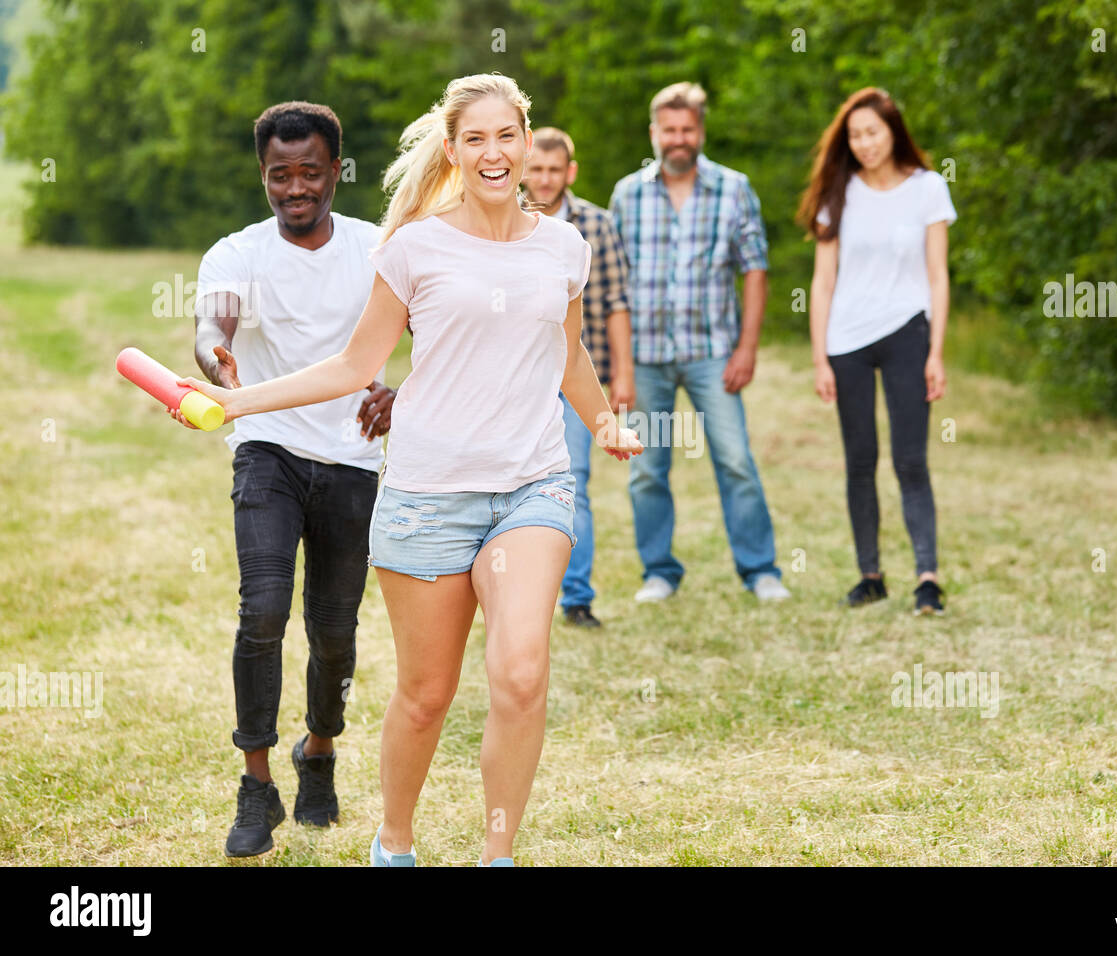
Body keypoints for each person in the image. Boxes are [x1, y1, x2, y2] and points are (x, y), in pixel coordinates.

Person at [175, 74, 643, 867]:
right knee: (427, 696)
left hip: (531, 483)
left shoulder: (565, 245)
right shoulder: (414, 247)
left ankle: (499, 856)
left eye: (507, 136)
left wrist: (603, 423)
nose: (493, 153)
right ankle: (394, 842)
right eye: (476, 140)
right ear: (454, 152)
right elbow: (356, 364)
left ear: (527, 142)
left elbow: (567, 352)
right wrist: (240, 401)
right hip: (428, 494)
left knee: (521, 673)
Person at [174, 101, 397, 858]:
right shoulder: (237, 252)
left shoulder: (377, 248)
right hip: (265, 445)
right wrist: (215, 356)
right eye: (279, 175)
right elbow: (215, 321)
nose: (295, 188)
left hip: (353, 461)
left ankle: (320, 752)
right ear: (262, 175)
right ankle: (256, 785)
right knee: (262, 609)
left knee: (335, 631)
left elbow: (438, 336)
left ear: (337, 170)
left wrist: (401, 393)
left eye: (309, 172)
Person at [609, 82, 789, 604]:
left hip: (714, 352)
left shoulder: (734, 189)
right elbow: (613, 280)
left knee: (735, 461)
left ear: (701, 132)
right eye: (669, 130)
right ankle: (659, 573)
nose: (679, 139)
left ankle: (761, 572)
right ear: (654, 133)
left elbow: (755, 269)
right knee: (646, 470)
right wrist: (619, 361)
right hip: (646, 356)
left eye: (688, 129)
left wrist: (747, 348)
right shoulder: (628, 193)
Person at [798, 87, 957, 615]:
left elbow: (938, 274)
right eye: (855, 136)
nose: (864, 144)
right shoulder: (837, 192)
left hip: (909, 333)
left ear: (894, 132)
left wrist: (936, 351)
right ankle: (870, 575)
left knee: (912, 460)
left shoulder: (928, 189)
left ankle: (927, 578)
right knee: (859, 460)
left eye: (873, 132)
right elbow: (822, 283)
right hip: (847, 342)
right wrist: (820, 356)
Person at [521, 126, 634, 628]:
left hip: (573, 378)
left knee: (573, 482)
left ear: (570, 172)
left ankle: (577, 595)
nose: (544, 180)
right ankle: (519, 591)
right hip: (517, 379)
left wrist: (621, 377)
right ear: (524, 170)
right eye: (536, 169)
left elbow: (614, 303)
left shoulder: (595, 225)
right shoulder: (502, 221)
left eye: (553, 170)